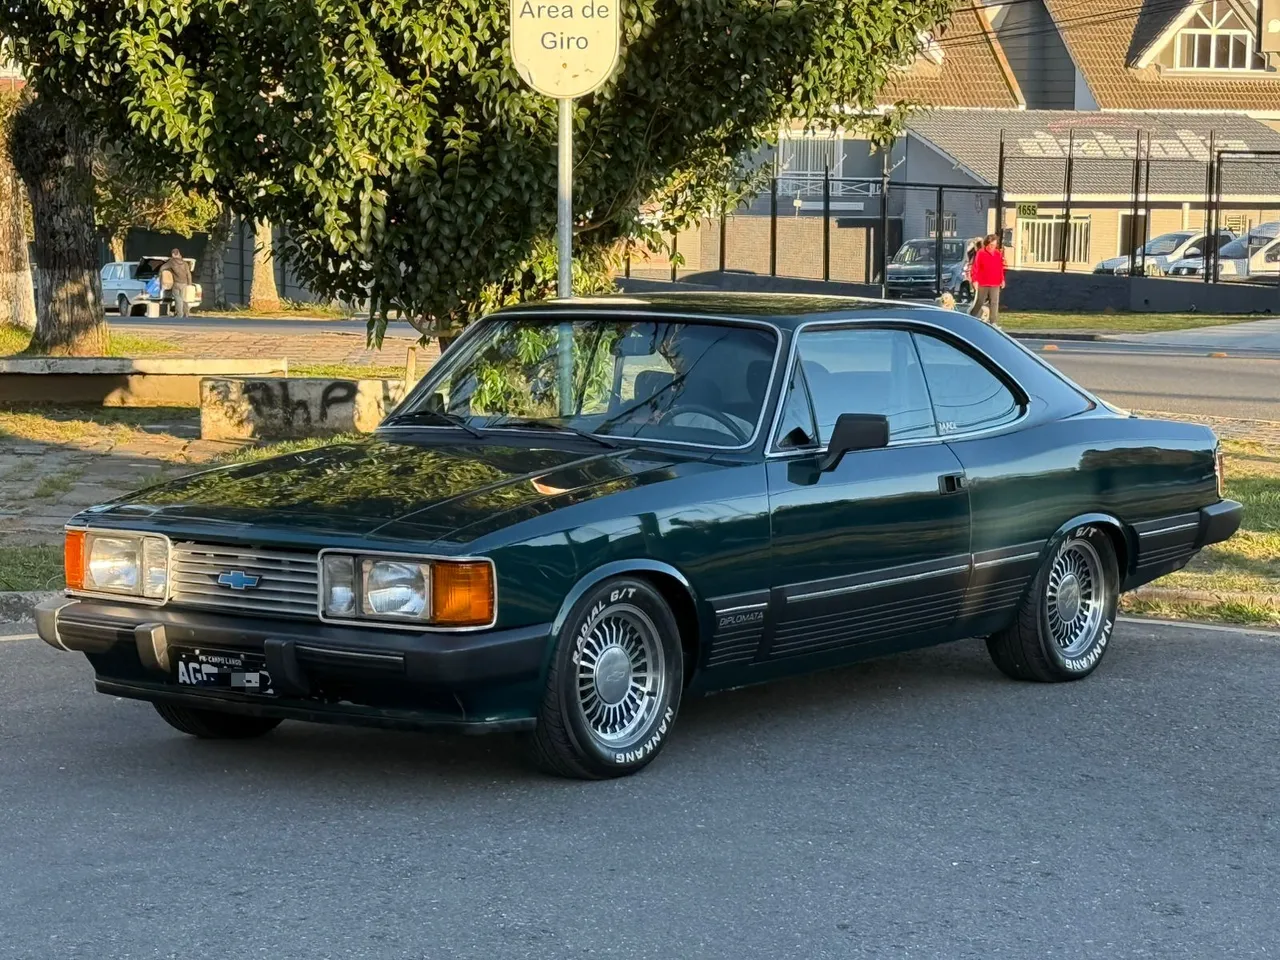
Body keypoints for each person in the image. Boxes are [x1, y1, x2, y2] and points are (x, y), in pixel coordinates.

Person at [969, 233, 1005, 325]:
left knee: (994, 303)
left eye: (994, 245)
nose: (993, 247)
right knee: (980, 301)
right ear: (987, 244)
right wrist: (975, 280)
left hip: (995, 282)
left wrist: (1002, 279)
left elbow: (1000, 267)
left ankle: (993, 322)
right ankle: (971, 318)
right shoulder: (981, 253)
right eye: (991, 245)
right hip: (983, 282)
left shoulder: (997, 254)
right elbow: (975, 267)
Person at [160, 248, 193, 318]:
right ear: (179, 254)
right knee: (185, 299)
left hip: (177, 283)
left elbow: (162, 268)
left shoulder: (172, 262)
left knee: (178, 299)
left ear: (172, 254)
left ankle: (179, 314)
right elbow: (189, 274)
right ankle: (186, 314)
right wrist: (189, 284)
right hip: (185, 283)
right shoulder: (185, 263)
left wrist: (161, 276)